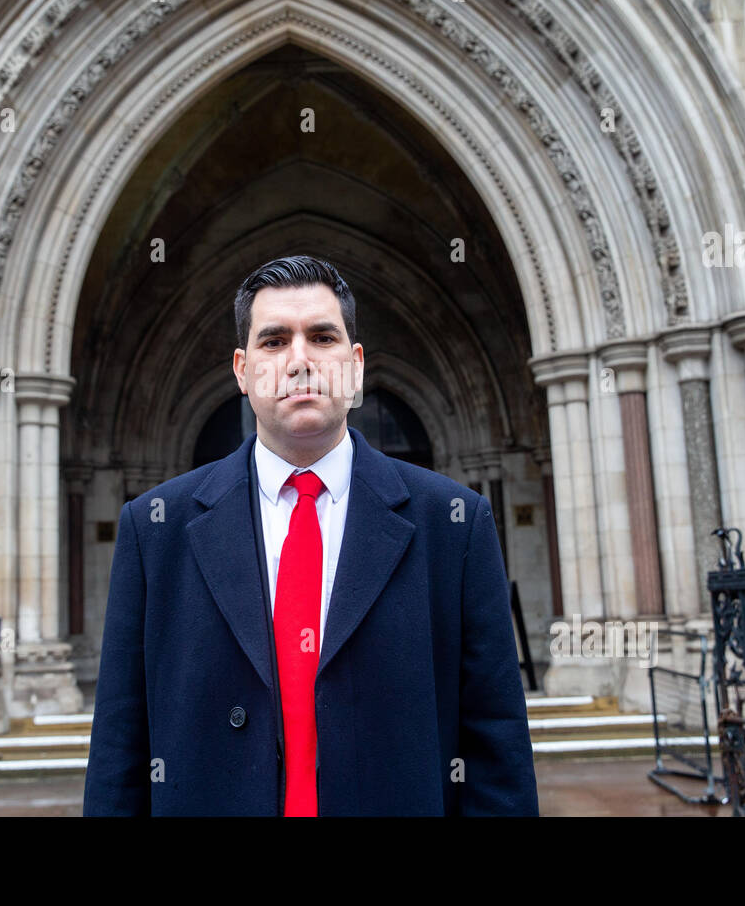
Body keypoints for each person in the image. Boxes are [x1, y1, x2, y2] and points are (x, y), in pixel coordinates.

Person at [83, 254, 538, 815]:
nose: (299, 360)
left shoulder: (454, 523)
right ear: (242, 370)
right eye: (274, 341)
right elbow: (119, 751)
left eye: (322, 337)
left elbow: (496, 744)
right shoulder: (154, 528)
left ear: (355, 366)